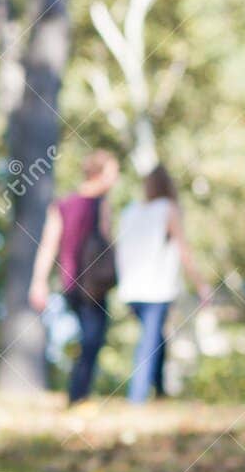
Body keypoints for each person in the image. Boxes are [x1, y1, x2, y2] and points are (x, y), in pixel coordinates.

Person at [28, 150, 119, 406]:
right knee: (93, 337)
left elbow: (48, 245)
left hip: (71, 282)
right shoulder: (100, 204)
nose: (115, 178)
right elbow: (106, 243)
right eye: (113, 172)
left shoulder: (62, 205)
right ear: (99, 174)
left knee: (88, 336)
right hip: (93, 283)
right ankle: (78, 394)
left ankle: (78, 393)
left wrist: (40, 281)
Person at [113, 165, 210, 404]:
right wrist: (201, 285)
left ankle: (160, 391)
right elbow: (183, 250)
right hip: (157, 288)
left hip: (131, 287)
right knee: (149, 339)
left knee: (156, 336)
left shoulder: (129, 211)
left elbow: (118, 249)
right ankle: (137, 397)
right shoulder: (168, 209)